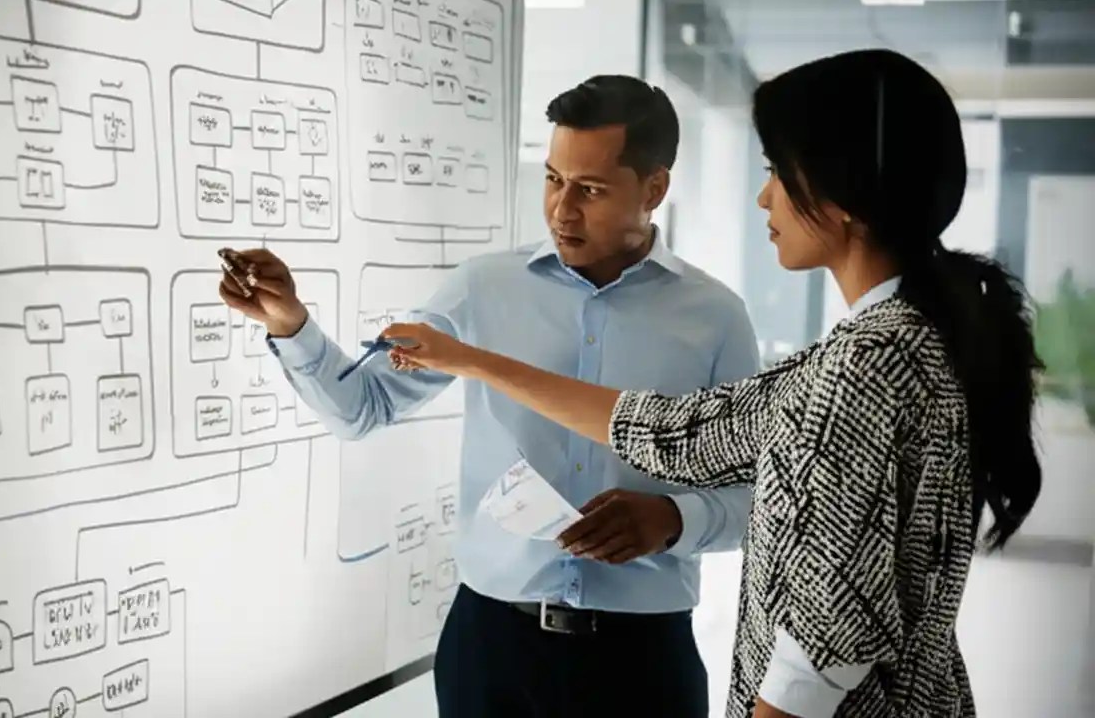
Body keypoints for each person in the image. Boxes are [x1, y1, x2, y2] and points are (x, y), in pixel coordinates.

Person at [379, 49, 1043, 718]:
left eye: (778, 173)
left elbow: (830, 633)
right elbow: (680, 430)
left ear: (843, 199)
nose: (765, 196)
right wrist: (474, 360)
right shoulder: (902, 340)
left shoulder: (862, 365)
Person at [218, 75, 759, 716]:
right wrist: (289, 323)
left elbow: (757, 498)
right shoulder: (482, 288)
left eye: (590, 189)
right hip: (492, 651)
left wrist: (672, 520)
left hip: (641, 661)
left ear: (654, 189)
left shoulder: (715, 318)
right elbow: (365, 407)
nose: (562, 210)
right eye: (554, 179)